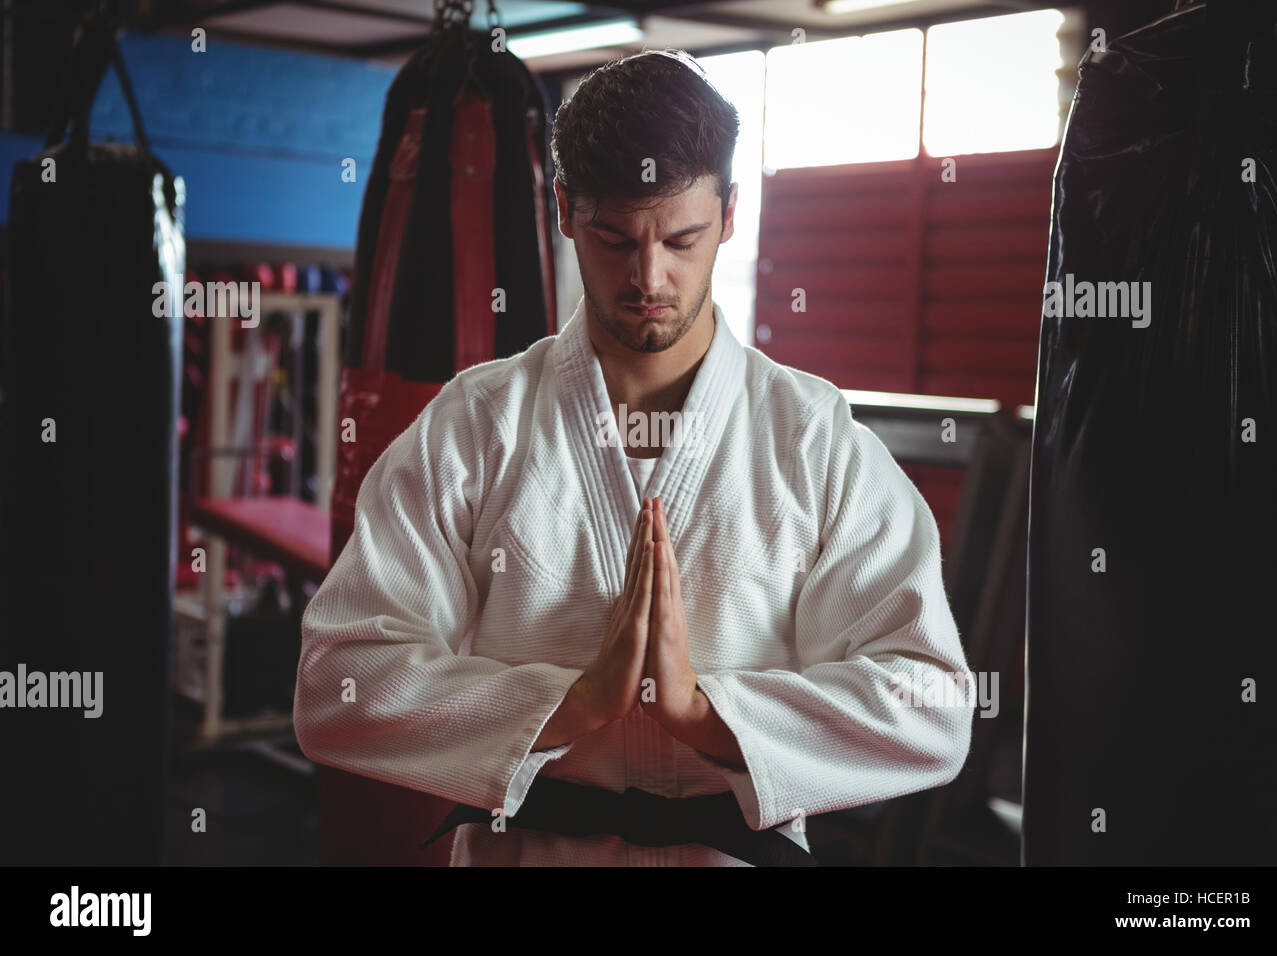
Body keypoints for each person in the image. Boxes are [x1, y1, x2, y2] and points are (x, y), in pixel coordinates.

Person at [293, 49, 974, 866]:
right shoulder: (476, 426)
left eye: (681, 239)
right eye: (616, 238)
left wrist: (701, 716)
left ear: (729, 214)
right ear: (563, 212)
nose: (649, 277)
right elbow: (338, 686)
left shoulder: (811, 438)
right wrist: (565, 706)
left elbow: (932, 707)